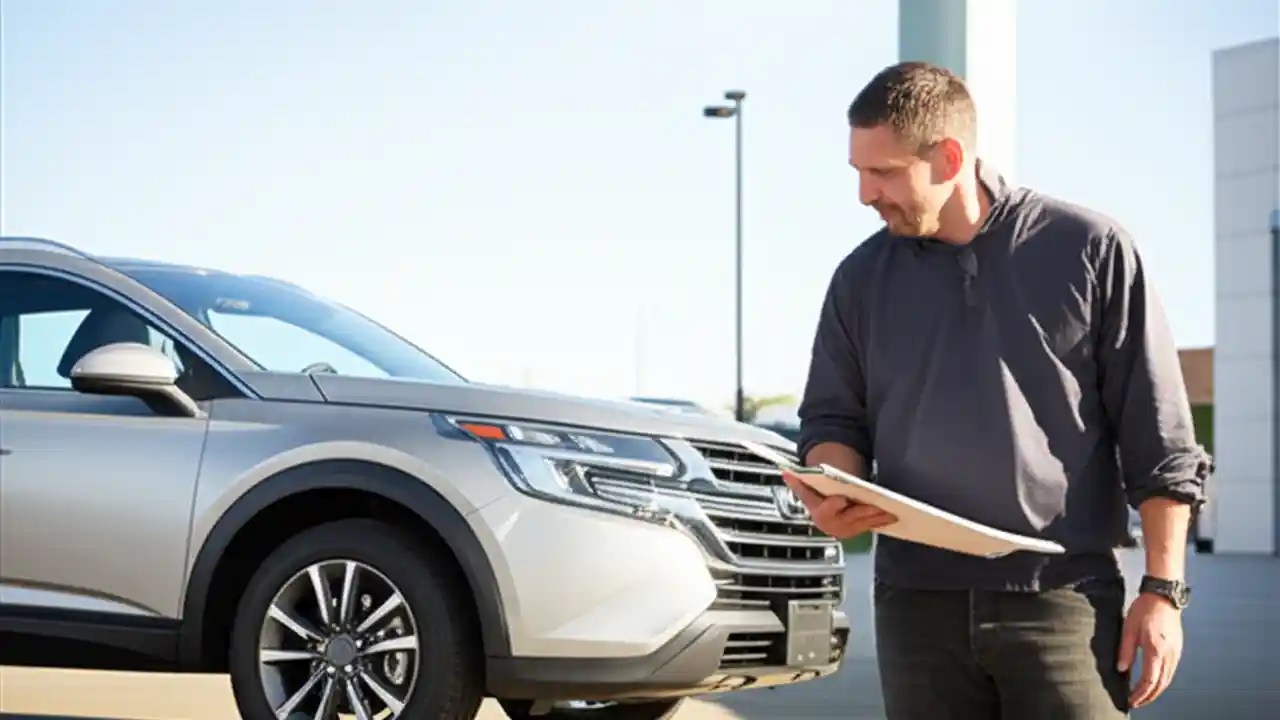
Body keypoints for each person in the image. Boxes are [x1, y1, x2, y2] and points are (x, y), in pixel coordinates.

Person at [784, 61, 1211, 719]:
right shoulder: (859, 279)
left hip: (1062, 603)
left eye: (885, 172)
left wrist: (1162, 591)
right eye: (858, 172)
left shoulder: (1090, 251)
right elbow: (833, 419)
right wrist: (832, 486)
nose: (865, 194)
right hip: (914, 609)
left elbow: (1160, 440)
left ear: (949, 156)